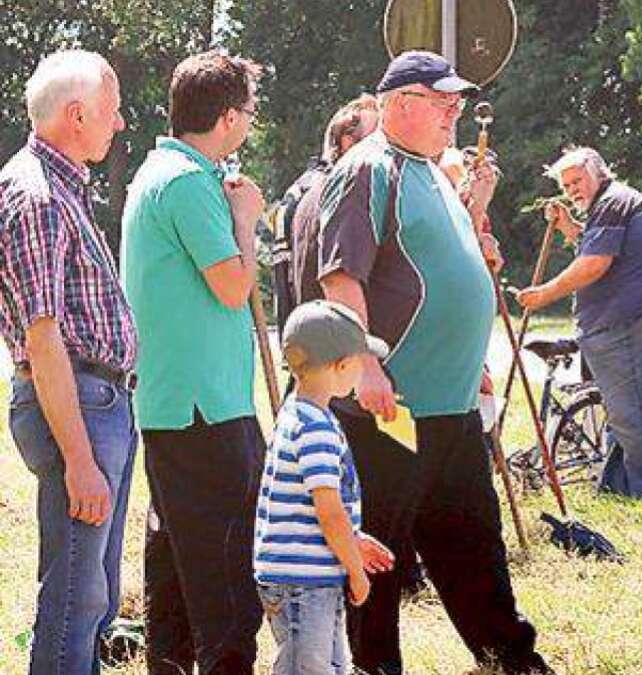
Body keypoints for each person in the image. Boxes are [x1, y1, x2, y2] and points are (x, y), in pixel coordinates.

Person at [316, 50, 550, 674]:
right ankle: (372, 667)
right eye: (442, 101)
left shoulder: (430, 172)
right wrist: (364, 362)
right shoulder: (366, 170)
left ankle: (508, 656)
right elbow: (341, 275)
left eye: (457, 102)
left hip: (449, 405)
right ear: (400, 104)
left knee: (473, 541)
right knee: (380, 553)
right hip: (395, 405)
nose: (456, 112)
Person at [120, 50, 267, 673]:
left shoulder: (160, 172)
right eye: (251, 113)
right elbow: (234, 287)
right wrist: (247, 222)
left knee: (179, 567)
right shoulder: (188, 182)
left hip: (179, 402)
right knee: (227, 581)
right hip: (205, 410)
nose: (253, 124)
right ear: (229, 117)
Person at [0, 50, 138, 675]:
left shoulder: (59, 186)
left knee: (89, 592)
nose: (119, 123)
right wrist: (80, 459)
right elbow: (44, 335)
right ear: (77, 115)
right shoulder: (39, 196)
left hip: (94, 400)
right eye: (111, 111)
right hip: (77, 405)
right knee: (78, 597)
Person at [517, 147, 642, 498]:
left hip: (629, 321)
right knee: (627, 407)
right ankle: (620, 488)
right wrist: (570, 227)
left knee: (627, 411)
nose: (572, 189)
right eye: (566, 185)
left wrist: (544, 293)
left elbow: (595, 263)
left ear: (600, 173)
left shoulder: (612, 203)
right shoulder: (611, 204)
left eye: (578, 180)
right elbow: (601, 247)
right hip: (633, 317)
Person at [254, 300, 396, 675]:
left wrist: (353, 539)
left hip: (307, 577)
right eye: (361, 360)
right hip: (304, 583)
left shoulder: (297, 413)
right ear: (340, 366)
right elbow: (328, 512)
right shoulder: (316, 429)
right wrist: (356, 570)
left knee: (333, 666)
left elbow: (308, 508)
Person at [282, 94, 379, 310]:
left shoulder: (313, 191)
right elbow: (338, 279)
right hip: (338, 334)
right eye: (377, 137)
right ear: (348, 142)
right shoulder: (348, 192)